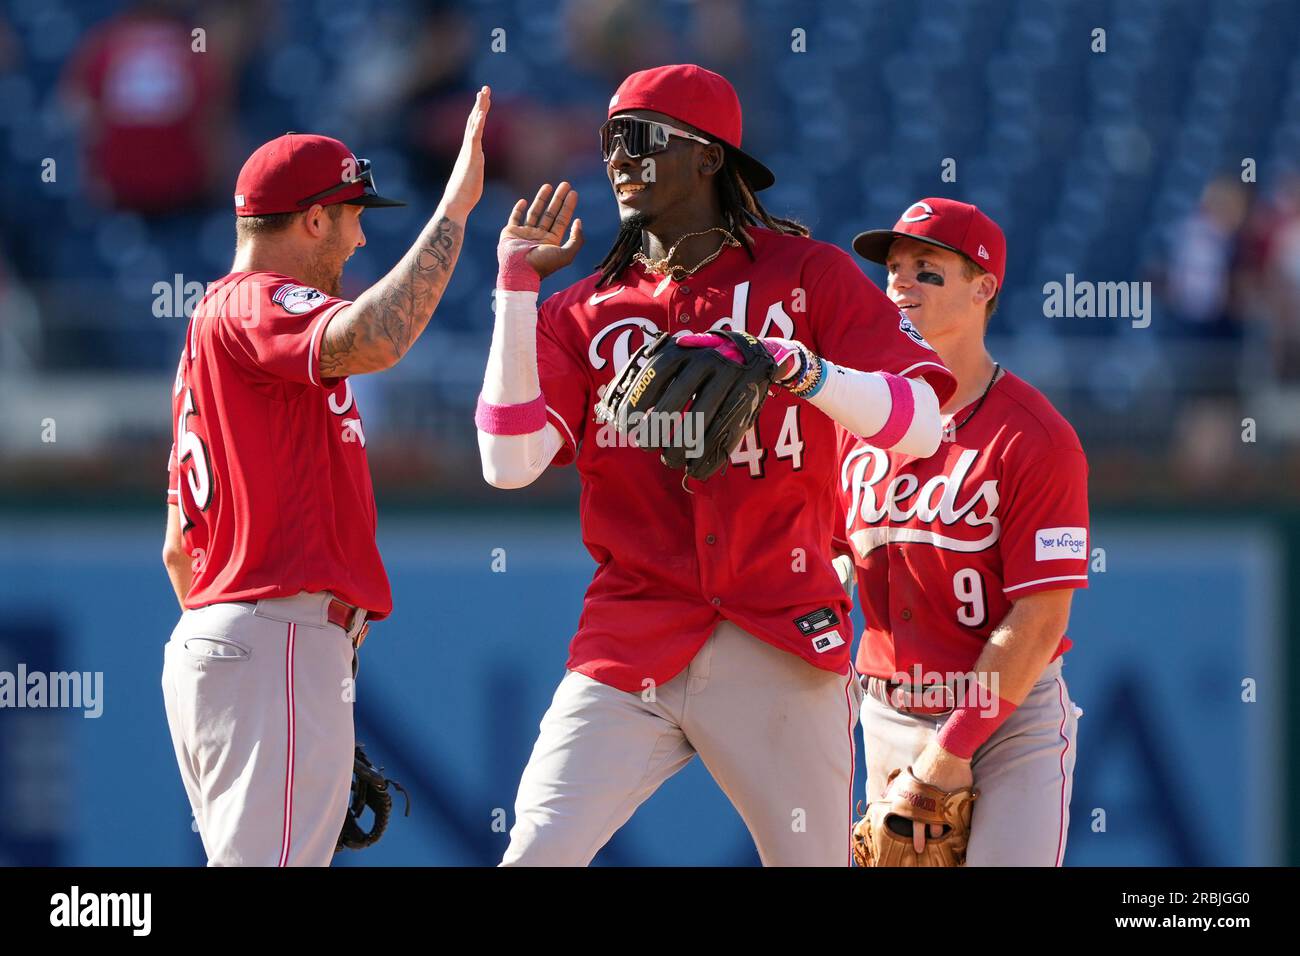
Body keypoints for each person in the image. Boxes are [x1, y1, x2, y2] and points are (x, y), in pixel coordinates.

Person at [474, 64, 955, 866]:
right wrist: (515, 291)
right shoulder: (584, 309)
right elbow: (508, 461)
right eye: (608, 143)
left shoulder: (807, 276)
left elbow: (921, 423)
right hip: (633, 631)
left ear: (708, 157)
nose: (618, 159)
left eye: (641, 139)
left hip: (780, 631)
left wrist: (797, 368)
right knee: (535, 855)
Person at [160, 89, 491, 866]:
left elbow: (179, 550)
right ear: (313, 220)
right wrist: (456, 210)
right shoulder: (258, 303)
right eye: (351, 216)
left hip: (226, 637)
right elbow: (379, 337)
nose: (360, 236)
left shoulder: (212, 333)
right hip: (274, 633)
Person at [840, 198, 1089, 865]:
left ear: (984, 288)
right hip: (890, 709)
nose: (900, 284)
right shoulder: (853, 421)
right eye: (893, 268)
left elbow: (1041, 614)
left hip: (1010, 717)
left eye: (928, 270)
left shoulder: (1036, 437)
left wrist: (951, 752)